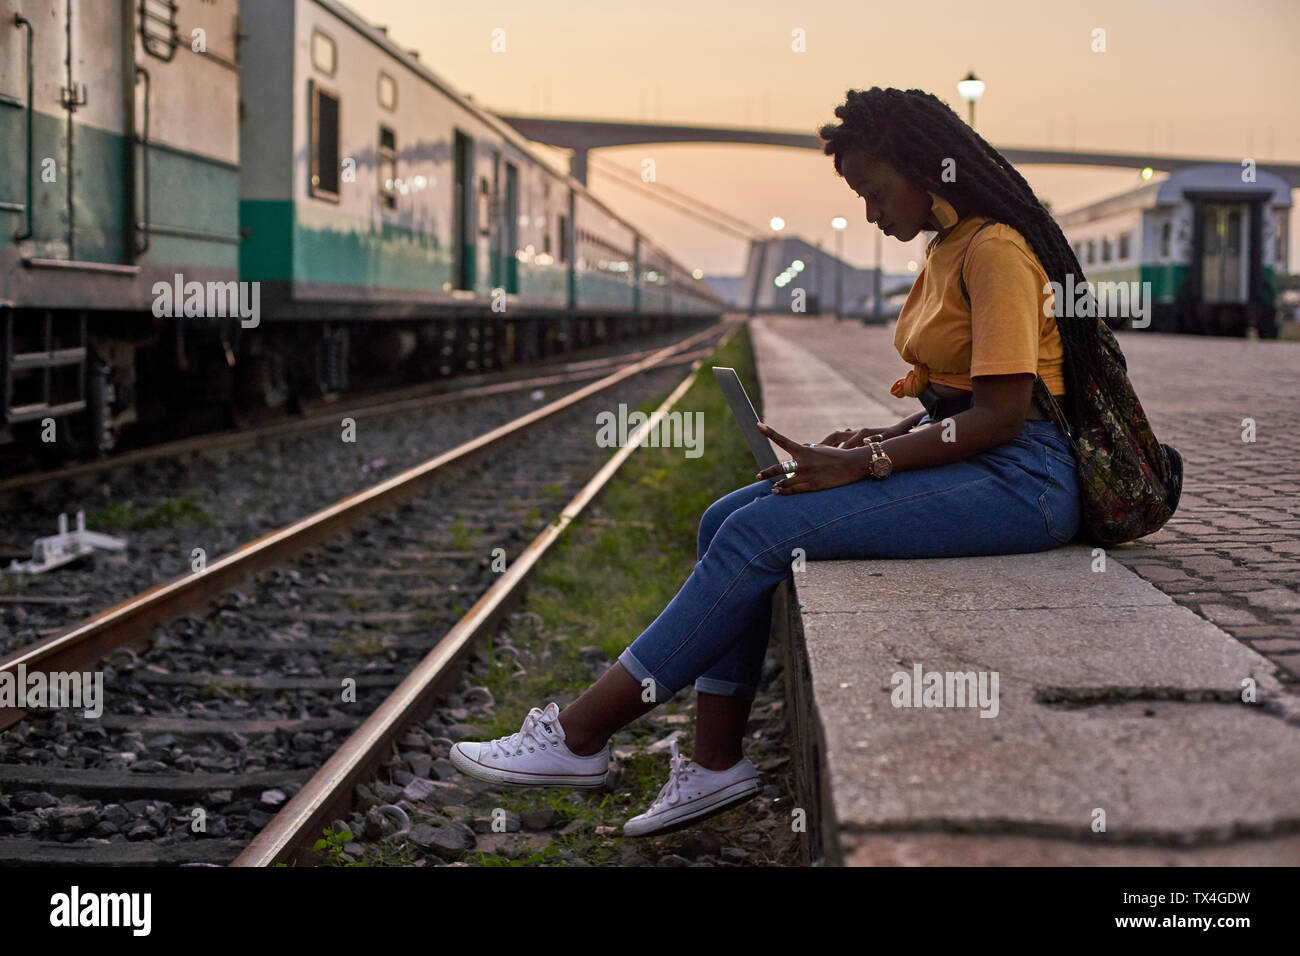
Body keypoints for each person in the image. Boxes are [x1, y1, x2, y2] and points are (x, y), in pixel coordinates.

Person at [450, 86, 1095, 839]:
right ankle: (715, 763)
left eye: (874, 192)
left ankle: (578, 737)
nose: (869, 213)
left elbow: (1004, 414)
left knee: (762, 533)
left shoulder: (997, 251)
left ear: (927, 171)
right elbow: (958, 400)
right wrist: (876, 439)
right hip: (985, 463)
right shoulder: (949, 249)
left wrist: (870, 464)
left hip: (1028, 482)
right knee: (727, 515)